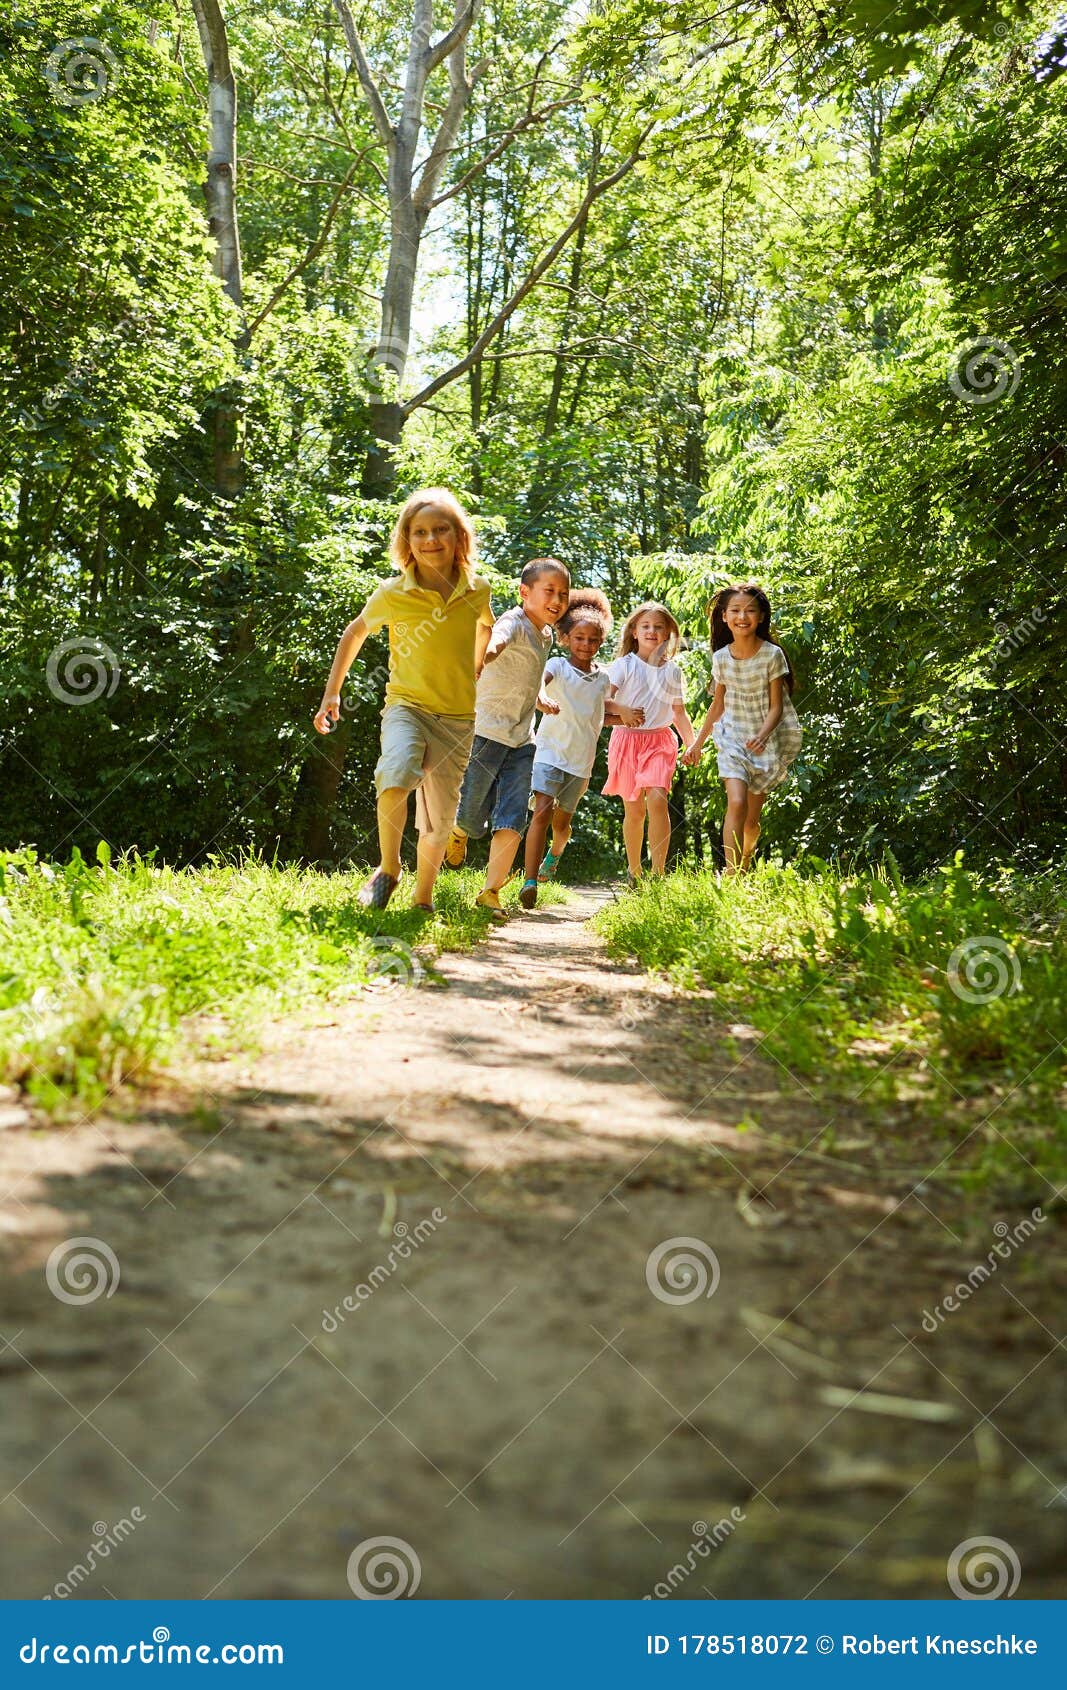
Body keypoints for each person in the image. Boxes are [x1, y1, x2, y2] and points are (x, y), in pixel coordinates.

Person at [313, 488, 493, 911]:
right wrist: (331, 693)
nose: (430, 539)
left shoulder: (477, 589)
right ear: (407, 541)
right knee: (395, 772)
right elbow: (355, 631)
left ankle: (423, 899)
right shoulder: (394, 593)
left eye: (440, 530)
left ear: (459, 537)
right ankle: (388, 869)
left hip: (457, 719)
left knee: (439, 820)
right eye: (420, 532)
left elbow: (487, 625)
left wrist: (476, 665)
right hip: (406, 707)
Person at [443, 559, 570, 919]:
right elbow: (496, 641)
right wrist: (485, 654)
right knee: (471, 817)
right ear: (524, 592)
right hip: (485, 733)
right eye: (550, 591)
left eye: (563, 594)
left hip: (521, 740)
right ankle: (459, 831)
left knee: (512, 817)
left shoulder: (545, 635)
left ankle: (490, 892)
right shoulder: (512, 622)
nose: (558, 600)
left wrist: (539, 699)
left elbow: (524, 678)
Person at [519, 589, 644, 909]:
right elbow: (537, 681)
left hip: (579, 764)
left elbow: (601, 712)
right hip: (548, 752)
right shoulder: (558, 666)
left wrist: (625, 713)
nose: (585, 645)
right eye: (579, 638)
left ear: (600, 643)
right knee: (542, 812)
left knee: (561, 826)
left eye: (592, 640)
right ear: (564, 638)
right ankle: (529, 881)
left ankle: (556, 851)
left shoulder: (602, 678)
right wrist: (541, 698)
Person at [685, 582, 802, 874]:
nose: (742, 616)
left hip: (764, 740)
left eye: (750, 610)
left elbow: (777, 706)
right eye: (735, 610)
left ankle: (746, 862)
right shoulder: (721, 658)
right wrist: (697, 743)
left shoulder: (771, 655)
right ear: (724, 616)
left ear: (761, 617)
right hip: (733, 739)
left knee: (751, 819)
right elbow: (717, 706)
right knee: (736, 802)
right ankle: (732, 872)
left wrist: (762, 736)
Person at [602, 602, 697, 882]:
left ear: (668, 633)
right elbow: (603, 702)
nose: (652, 631)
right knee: (634, 810)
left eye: (658, 627)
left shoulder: (673, 672)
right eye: (645, 626)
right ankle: (634, 872)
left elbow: (679, 712)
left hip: (660, 741)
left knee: (658, 800)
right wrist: (622, 711)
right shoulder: (623, 666)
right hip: (626, 741)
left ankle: (658, 873)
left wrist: (691, 743)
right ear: (634, 631)